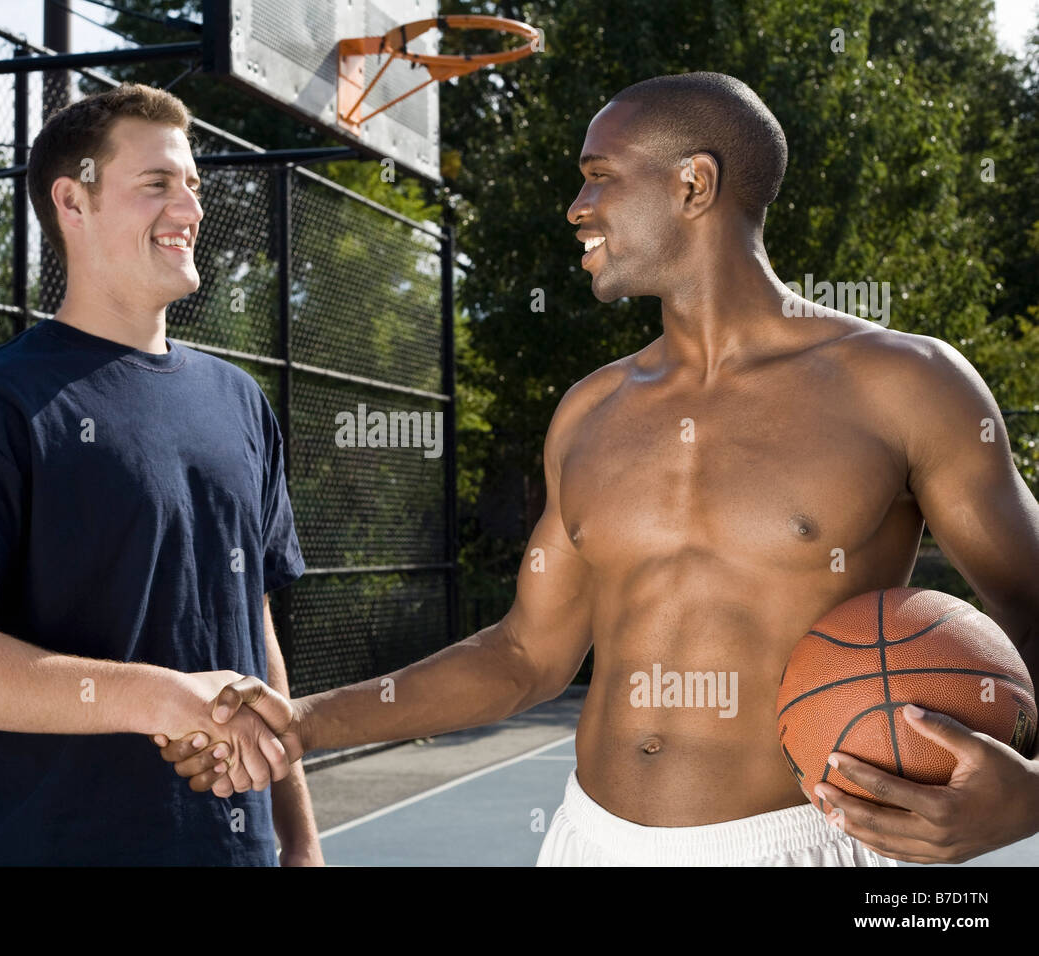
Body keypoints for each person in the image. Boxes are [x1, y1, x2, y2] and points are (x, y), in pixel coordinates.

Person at [164, 72, 1039, 866]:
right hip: (591, 839)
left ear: (694, 183)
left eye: (600, 176)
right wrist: (304, 723)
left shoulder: (903, 383)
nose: (578, 207)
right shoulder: (592, 410)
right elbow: (522, 656)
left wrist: (1031, 797)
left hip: (809, 842)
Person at [0, 83, 322, 866]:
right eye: (157, 184)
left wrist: (299, 840)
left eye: (193, 185)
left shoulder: (240, 403)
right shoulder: (0, 406)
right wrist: (156, 696)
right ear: (72, 203)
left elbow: (255, 633)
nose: (190, 208)